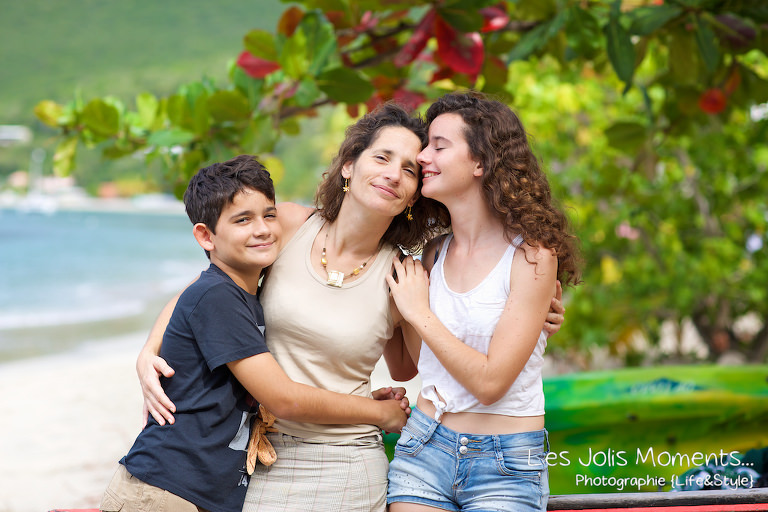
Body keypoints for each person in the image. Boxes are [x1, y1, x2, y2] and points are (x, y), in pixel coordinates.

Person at [137, 104, 567, 512]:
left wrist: (530, 317)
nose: (393, 175)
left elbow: (412, 365)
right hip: (264, 453)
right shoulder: (287, 225)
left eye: (410, 170)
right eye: (382, 158)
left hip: (350, 457)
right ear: (349, 165)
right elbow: (210, 290)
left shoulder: (405, 271)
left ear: (416, 193)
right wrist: (149, 351)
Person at [101, 155, 409, 512]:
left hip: (195, 493)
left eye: (269, 215)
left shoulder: (241, 294)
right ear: (206, 236)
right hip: (161, 492)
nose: (262, 229)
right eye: (243, 220)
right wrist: (378, 411)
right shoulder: (218, 298)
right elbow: (284, 399)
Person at [385, 92, 581, 512]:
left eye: (439, 145)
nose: (422, 156)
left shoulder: (532, 257)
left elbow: (491, 384)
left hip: (506, 461)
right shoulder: (432, 255)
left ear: (481, 162)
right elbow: (415, 367)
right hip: (424, 447)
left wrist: (419, 312)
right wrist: (397, 308)